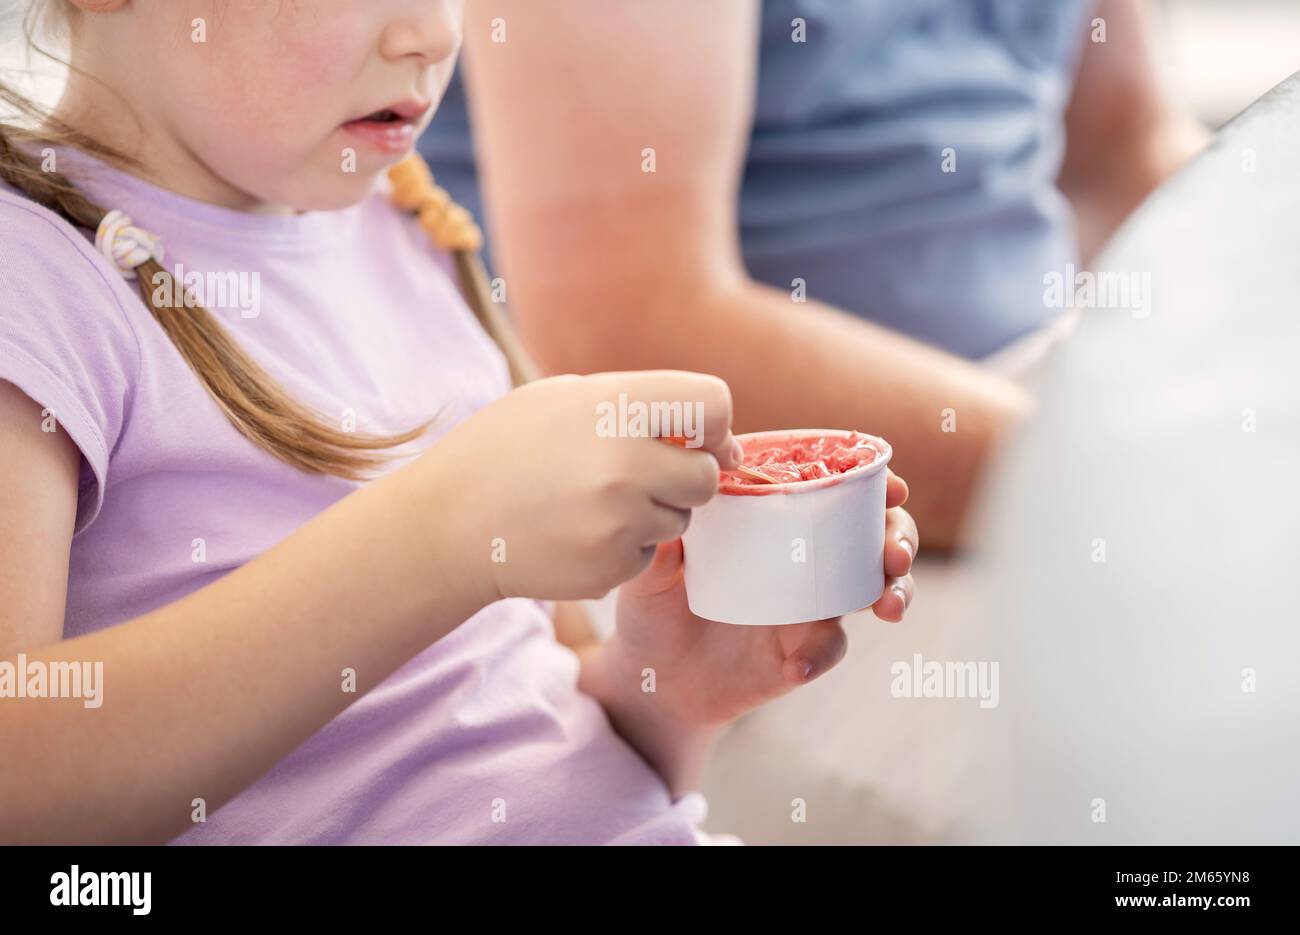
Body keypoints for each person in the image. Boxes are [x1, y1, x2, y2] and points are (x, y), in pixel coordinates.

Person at [0, 0, 915, 844]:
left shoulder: (408, 236)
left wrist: (667, 687)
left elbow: (535, 729)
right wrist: (444, 534)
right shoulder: (33, 279)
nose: (432, 35)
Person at [419, 0, 1208, 548]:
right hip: (734, 539)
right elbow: (623, 327)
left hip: (1039, 411)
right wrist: (1132, 485)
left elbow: (1124, 154)